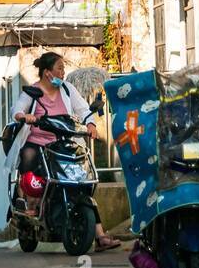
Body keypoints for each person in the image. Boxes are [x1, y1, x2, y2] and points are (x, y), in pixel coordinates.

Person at [11, 51, 121, 251]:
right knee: (28, 156)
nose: (63, 72)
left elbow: (84, 111)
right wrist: (23, 116)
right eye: (59, 68)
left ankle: (100, 236)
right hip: (37, 142)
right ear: (47, 73)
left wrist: (91, 125)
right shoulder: (32, 92)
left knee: (80, 183)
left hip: (62, 143)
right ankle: (29, 202)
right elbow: (18, 108)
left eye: (63, 68)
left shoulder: (67, 89)